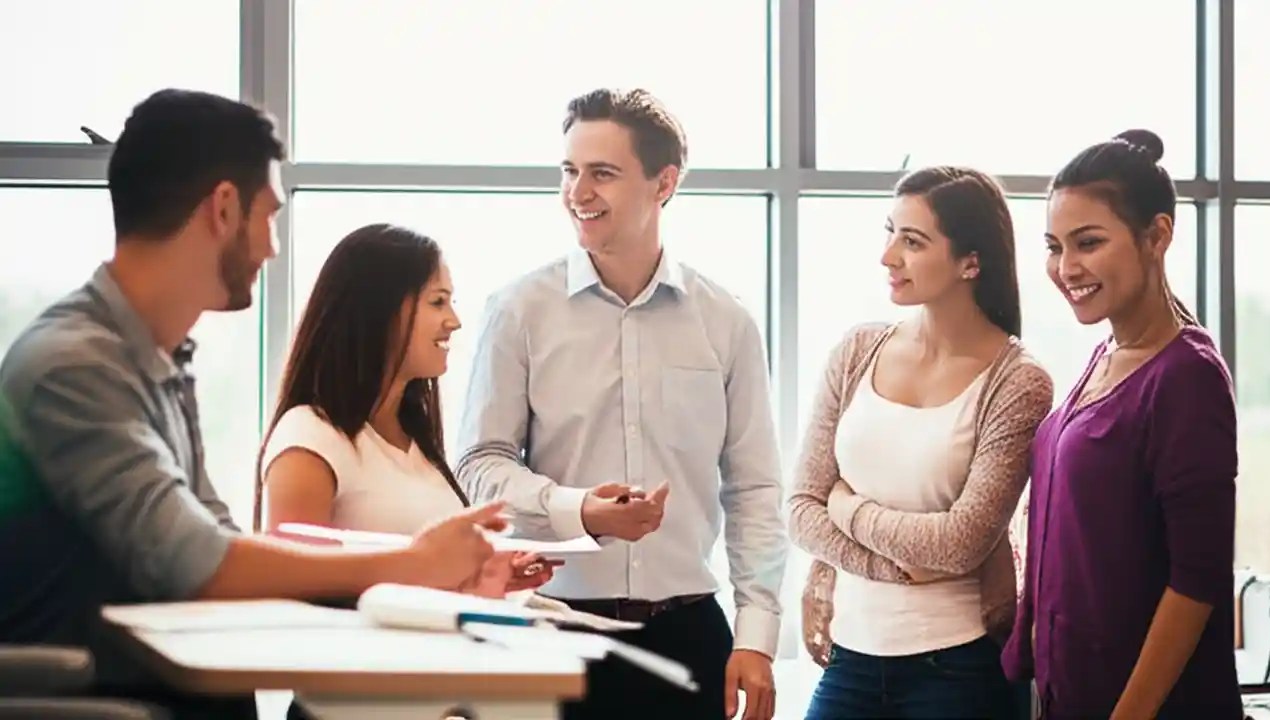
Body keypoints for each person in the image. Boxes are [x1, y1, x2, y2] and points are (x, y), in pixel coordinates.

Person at [0, 89, 505, 720]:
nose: (270, 248)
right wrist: (411, 561)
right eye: (268, 217)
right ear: (223, 207)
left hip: (170, 689)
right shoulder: (72, 366)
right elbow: (196, 562)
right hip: (105, 698)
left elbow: (214, 536)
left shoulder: (157, 362)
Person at [456, 88, 788, 720]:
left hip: (692, 639)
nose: (579, 192)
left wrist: (757, 636)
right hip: (554, 634)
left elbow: (753, 490)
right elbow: (480, 464)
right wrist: (576, 509)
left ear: (664, 184)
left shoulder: (727, 322)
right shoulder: (518, 311)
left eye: (602, 173)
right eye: (569, 171)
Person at [788, 166, 1054, 719]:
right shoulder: (857, 350)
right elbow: (799, 511)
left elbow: (960, 544)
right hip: (850, 658)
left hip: (957, 668)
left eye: (912, 241)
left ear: (970, 261)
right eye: (890, 233)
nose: (889, 255)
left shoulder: (1018, 382)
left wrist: (847, 506)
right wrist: (896, 568)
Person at [1001, 130, 1241, 719]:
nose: (1066, 267)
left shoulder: (1187, 377)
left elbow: (1196, 583)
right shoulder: (1105, 354)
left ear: (1157, 235)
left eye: (1088, 243)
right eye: (1055, 246)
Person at [256, 223, 553, 595]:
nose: (454, 321)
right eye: (437, 301)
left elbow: (419, 584)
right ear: (379, 309)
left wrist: (483, 577)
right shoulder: (310, 436)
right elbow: (293, 585)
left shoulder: (418, 445)